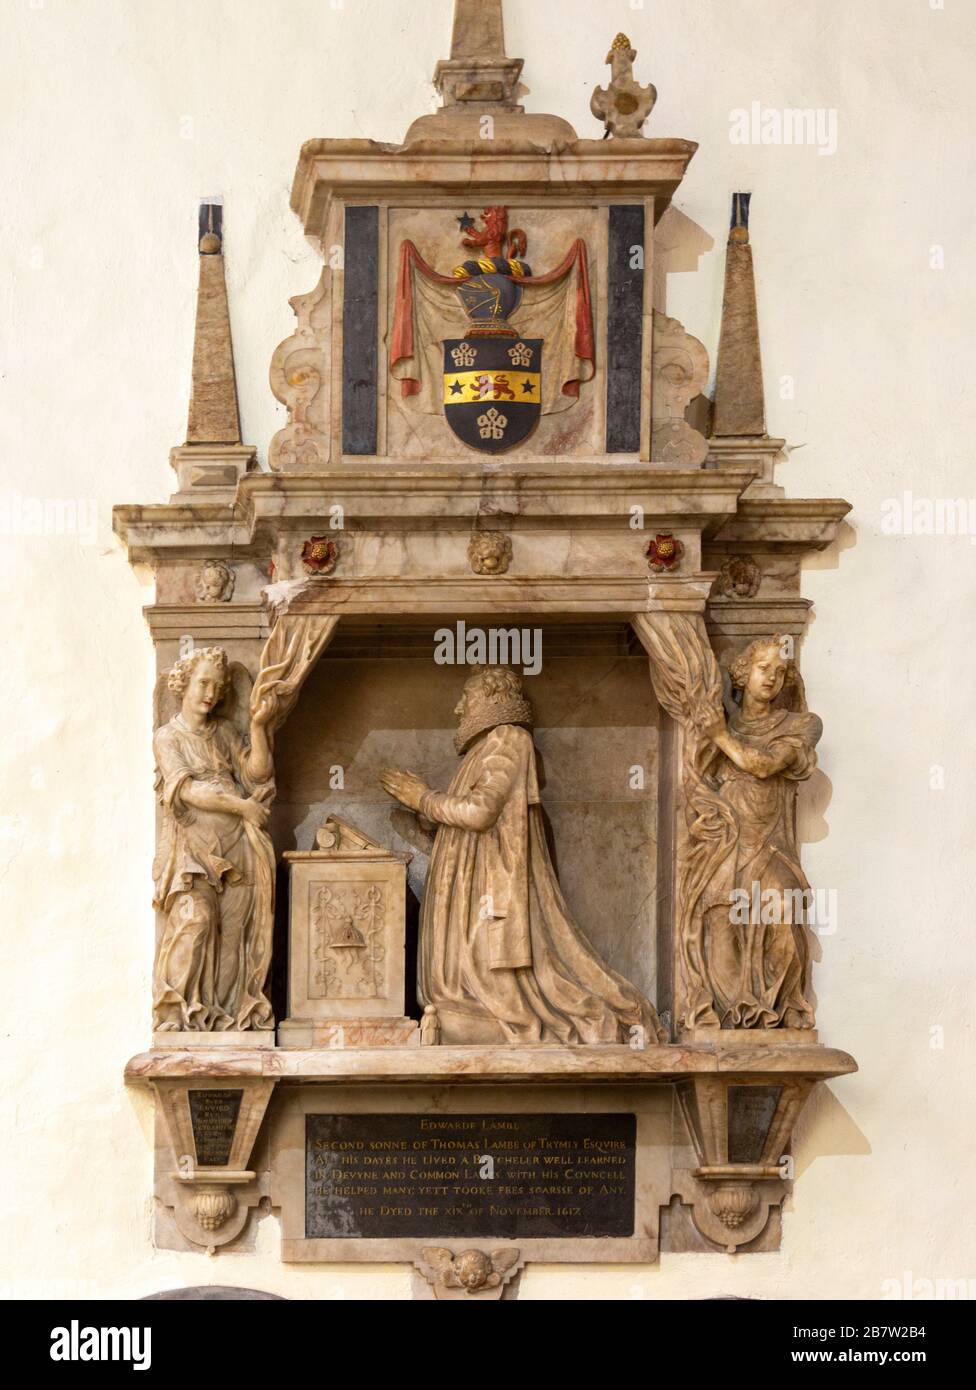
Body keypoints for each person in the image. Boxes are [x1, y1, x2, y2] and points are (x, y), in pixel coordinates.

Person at [381, 667, 664, 1046]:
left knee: (491, 978)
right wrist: (426, 811)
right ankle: (470, 1016)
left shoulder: (508, 738)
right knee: (462, 980)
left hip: (490, 883)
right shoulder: (485, 748)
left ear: (493, 698)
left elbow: (481, 812)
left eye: (468, 696)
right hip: (471, 881)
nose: (458, 708)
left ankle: (503, 1021)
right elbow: (468, 815)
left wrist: (424, 799)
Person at [152, 646, 276, 1031]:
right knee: (196, 919)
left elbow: (256, 774)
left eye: (218, 687)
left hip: (238, 844)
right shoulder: (167, 738)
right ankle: (174, 1012)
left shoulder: (223, 732)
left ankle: (222, 1018)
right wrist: (242, 808)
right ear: (183, 683)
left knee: (233, 937)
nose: (210, 693)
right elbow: (189, 793)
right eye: (203, 683)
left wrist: (257, 727)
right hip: (193, 845)